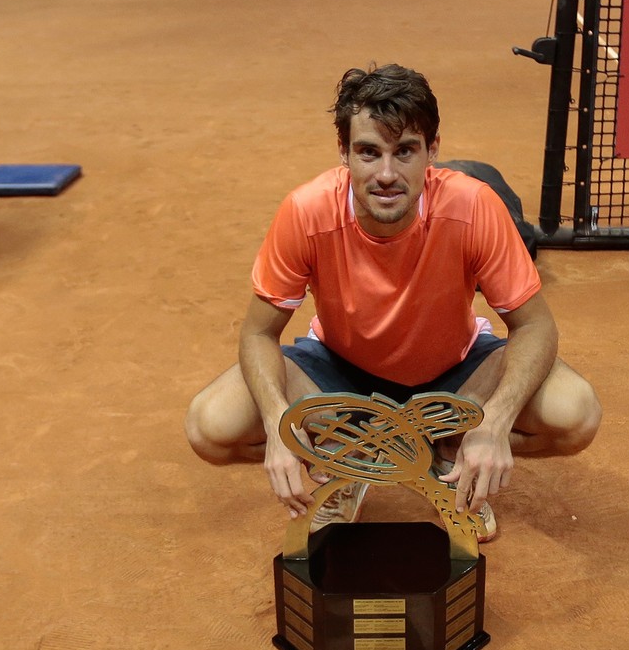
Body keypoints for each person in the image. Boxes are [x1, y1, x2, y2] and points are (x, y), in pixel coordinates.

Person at [185, 63, 600, 540]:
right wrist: (280, 422)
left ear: (432, 150)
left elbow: (535, 326)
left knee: (577, 415)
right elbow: (258, 332)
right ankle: (353, 461)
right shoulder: (306, 210)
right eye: (368, 152)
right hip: (337, 372)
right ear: (344, 152)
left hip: (454, 377)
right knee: (209, 428)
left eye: (405, 152)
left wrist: (495, 420)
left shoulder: (474, 206)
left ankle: (448, 451)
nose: (386, 174)